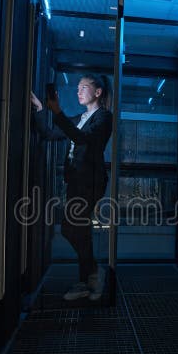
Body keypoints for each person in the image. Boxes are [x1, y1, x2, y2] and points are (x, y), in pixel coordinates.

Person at [31, 74, 113, 300]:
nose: (78, 92)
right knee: (80, 231)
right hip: (77, 180)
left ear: (97, 92)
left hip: (90, 181)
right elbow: (50, 134)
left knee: (70, 227)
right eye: (77, 88)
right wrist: (40, 109)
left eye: (83, 87)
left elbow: (81, 138)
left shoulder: (104, 117)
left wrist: (57, 111)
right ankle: (87, 280)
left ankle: (93, 273)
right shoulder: (80, 117)